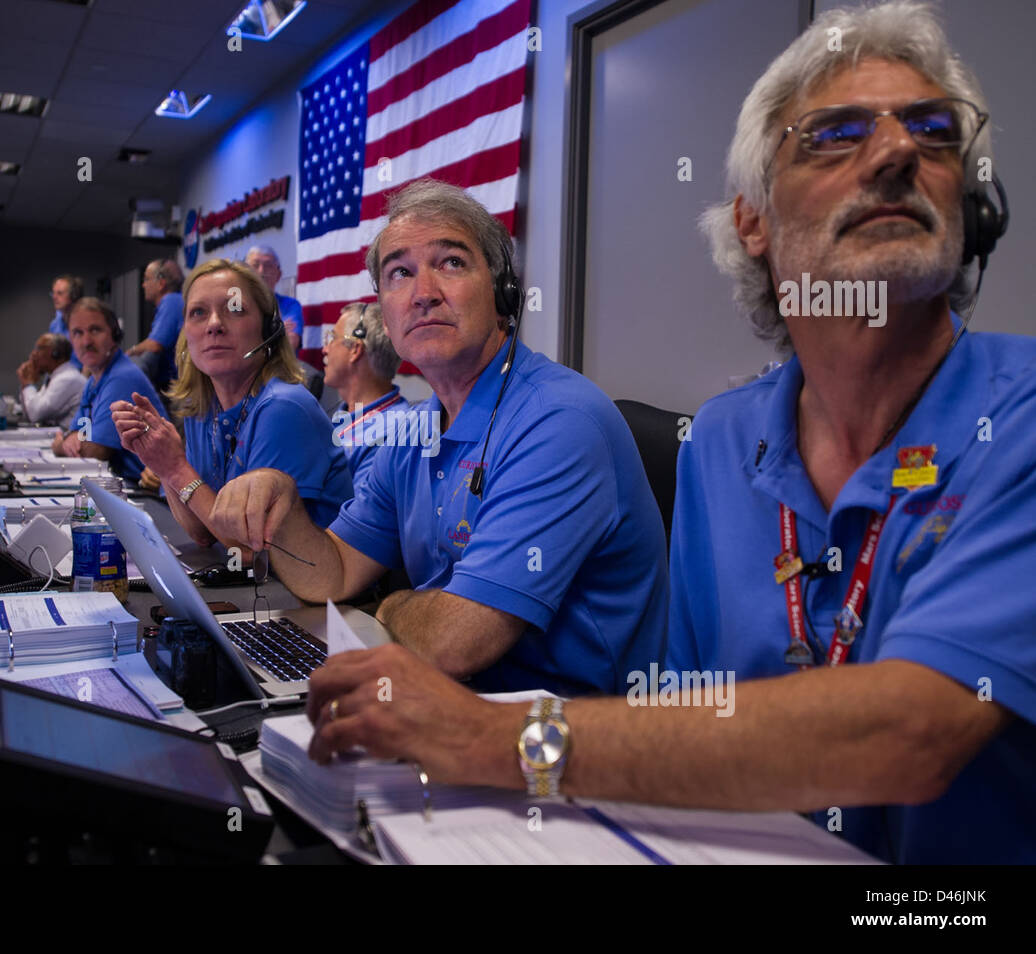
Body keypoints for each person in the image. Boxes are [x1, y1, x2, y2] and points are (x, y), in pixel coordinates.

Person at [297, 1, 1035, 865]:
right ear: (752, 221)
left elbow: (911, 731)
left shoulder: (1017, 418)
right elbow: (684, 707)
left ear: (976, 208)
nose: (900, 149)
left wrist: (497, 743)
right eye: (835, 133)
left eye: (934, 128)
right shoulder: (723, 439)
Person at [210, 180, 669, 696]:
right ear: (385, 309)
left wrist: (392, 605)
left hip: (574, 735)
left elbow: (458, 641)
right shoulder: (414, 430)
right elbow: (335, 573)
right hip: (456, 699)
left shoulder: (560, 421)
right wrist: (284, 506)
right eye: (400, 273)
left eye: (451, 263)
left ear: (502, 295)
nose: (423, 293)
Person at [111, 259, 351, 548]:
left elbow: (251, 549)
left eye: (235, 309)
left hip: (307, 589)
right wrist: (160, 462)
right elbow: (201, 531)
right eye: (198, 312)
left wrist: (176, 468)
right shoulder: (201, 410)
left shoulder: (284, 408)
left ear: (268, 330)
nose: (214, 324)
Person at [52, 297, 164, 481]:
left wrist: (60, 445)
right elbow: (79, 432)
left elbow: (95, 451)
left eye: (95, 330)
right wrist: (72, 438)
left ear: (114, 334)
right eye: (78, 333)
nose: (86, 341)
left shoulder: (121, 377)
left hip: (146, 490)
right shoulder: (93, 380)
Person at [322, 302, 407, 493]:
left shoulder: (393, 434)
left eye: (332, 338)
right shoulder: (347, 415)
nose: (325, 350)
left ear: (355, 349)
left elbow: (358, 519)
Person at [126, 259, 185, 387]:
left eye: (146, 279)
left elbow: (155, 345)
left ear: (161, 283)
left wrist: (129, 352)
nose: (143, 285)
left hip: (181, 385)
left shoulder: (171, 301)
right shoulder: (174, 301)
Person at [244, 245, 304, 354]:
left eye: (268, 266)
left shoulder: (290, 305)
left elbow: (290, 344)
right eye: (255, 265)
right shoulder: (236, 306)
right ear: (244, 273)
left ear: (278, 274)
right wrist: (275, 333)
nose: (261, 271)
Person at [17, 333, 84, 426]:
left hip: (70, 437)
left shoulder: (68, 379)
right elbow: (29, 413)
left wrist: (28, 384)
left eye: (40, 348)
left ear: (56, 354)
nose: (33, 354)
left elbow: (35, 414)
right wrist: (25, 384)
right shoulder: (54, 377)